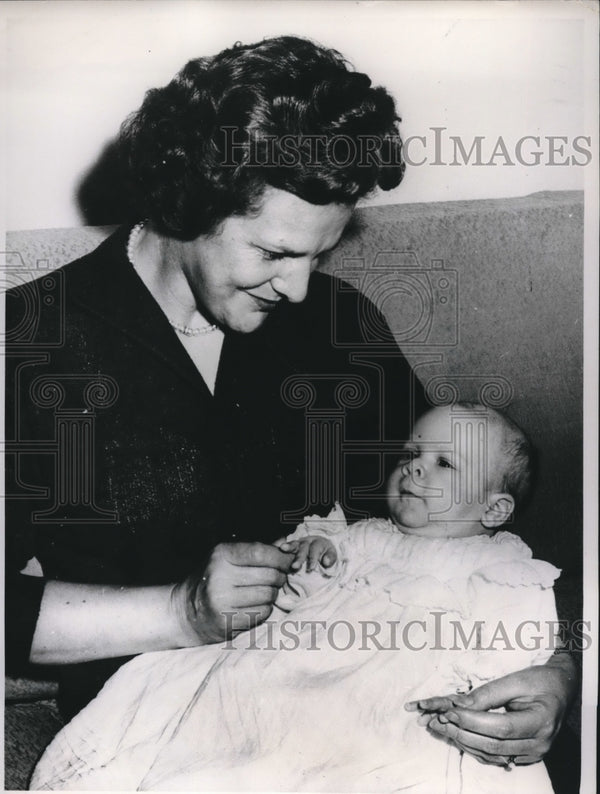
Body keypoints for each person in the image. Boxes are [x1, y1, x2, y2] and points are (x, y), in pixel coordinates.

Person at [4, 35, 574, 769]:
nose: (300, 288)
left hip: (359, 716)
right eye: (273, 253)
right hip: (168, 734)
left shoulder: (336, 326)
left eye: (320, 254)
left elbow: (474, 516)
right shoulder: (30, 344)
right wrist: (181, 611)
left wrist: (558, 674)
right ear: (185, 206)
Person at [31, 404, 560, 792]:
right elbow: (295, 570)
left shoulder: (502, 567)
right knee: (221, 723)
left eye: (445, 464)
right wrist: (311, 552)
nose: (416, 468)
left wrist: (488, 693)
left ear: (494, 510)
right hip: (291, 669)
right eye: (411, 454)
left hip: (385, 701)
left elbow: (522, 645)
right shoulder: (361, 535)